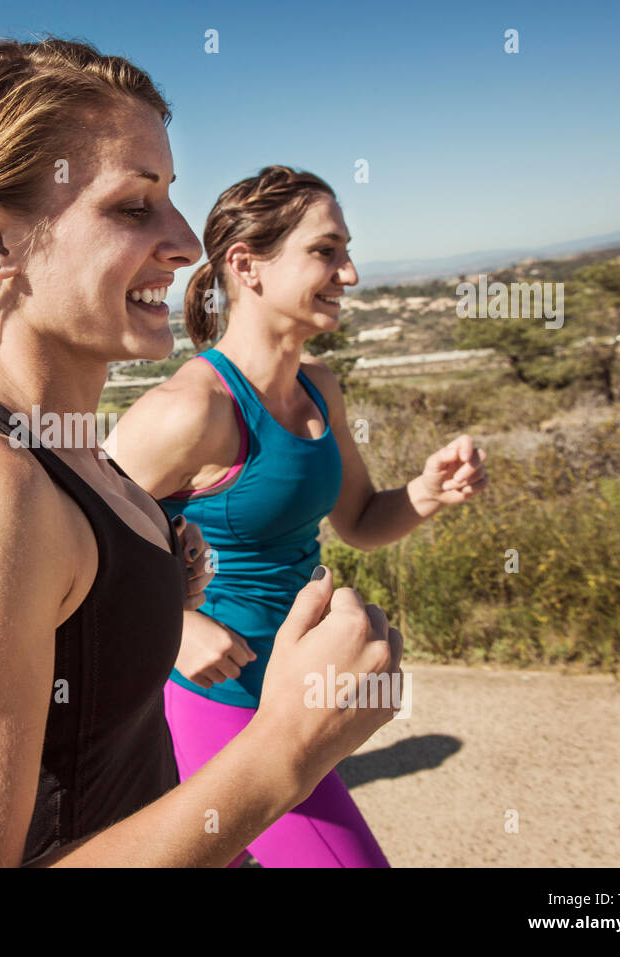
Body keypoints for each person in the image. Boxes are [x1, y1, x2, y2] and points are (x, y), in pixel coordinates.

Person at [0, 37, 404, 866]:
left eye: (171, 199)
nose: (183, 242)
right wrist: (289, 748)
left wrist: (157, 584)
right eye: (134, 207)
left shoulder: (73, 457)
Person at [103, 166, 490, 867]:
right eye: (327, 250)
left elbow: (362, 519)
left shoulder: (322, 389)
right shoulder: (192, 410)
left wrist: (427, 493)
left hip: (305, 699)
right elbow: (74, 542)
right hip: (213, 703)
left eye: (345, 251)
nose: (351, 272)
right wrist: (177, 625)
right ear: (247, 266)